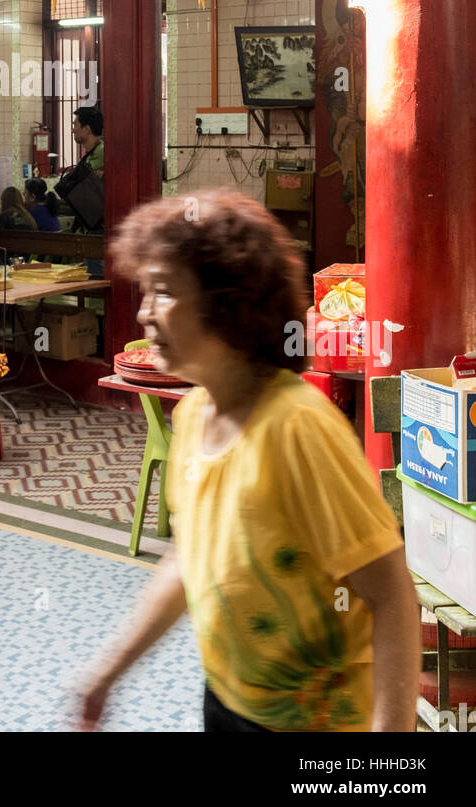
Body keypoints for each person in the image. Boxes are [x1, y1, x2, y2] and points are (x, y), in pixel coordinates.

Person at [78, 189, 420, 733]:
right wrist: (109, 671)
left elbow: (394, 597)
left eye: (162, 292)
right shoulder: (192, 416)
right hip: (231, 702)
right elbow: (191, 561)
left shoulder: (296, 427)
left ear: (226, 303)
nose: (143, 311)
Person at [71, 105, 104, 275]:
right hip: (91, 221)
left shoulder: (104, 152)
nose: (73, 130)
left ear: (87, 129)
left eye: (75, 125)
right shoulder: (90, 155)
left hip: (101, 223)